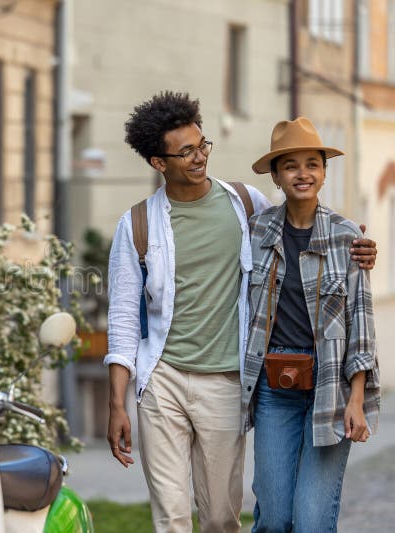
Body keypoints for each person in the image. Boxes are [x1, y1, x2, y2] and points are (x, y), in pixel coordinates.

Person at [104, 92, 377, 533]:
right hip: (171, 380)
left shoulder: (246, 205)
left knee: (222, 517)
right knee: (176, 517)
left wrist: (358, 247)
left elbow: (313, 240)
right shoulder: (140, 224)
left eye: (202, 145)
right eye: (186, 151)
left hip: (237, 381)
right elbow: (120, 318)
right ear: (159, 162)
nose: (199, 157)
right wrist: (117, 402)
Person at [240, 117, 380, 533]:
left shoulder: (347, 236)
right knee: (275, 519)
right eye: (291, 165)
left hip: (331, 388)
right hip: (273, 388)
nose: (303, 173)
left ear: (323, 171)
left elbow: (361, 322)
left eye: (312, 164)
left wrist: (357, 399)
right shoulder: (256, 231)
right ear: (277, 176)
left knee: (313, 523)